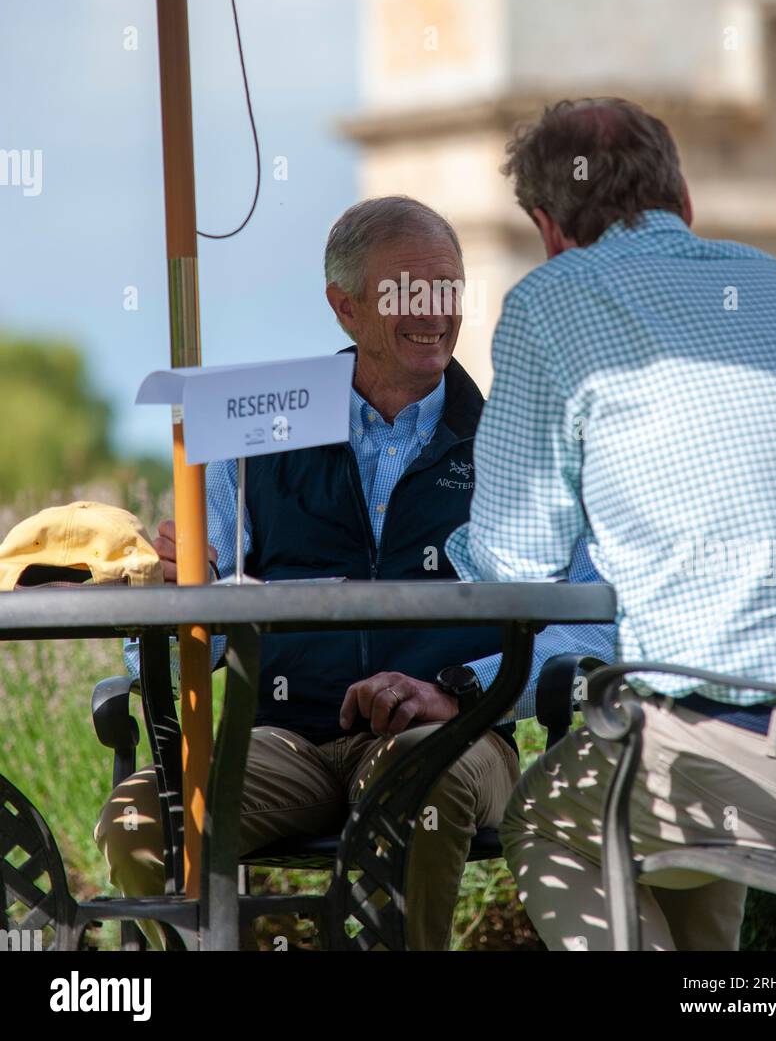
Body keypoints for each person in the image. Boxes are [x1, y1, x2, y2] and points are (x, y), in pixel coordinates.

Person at [95, 194, 612, 950]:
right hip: (276, 740)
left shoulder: (516, 448)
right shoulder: (251, 437)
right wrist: (181, 602)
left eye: (446, 289)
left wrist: (457, 691)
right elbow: (163, 650)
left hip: (454, 739)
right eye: (407, 290)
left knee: (416, 781)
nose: (433, 312)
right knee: (143, 826)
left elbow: (587, 618)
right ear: (344, 307)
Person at [447, 98, 776, 952]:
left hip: (756, 762)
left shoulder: (551, 300)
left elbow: (511, 568)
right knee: (664, 768)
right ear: (684, 200)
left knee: (553, 820)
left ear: (543, 224)